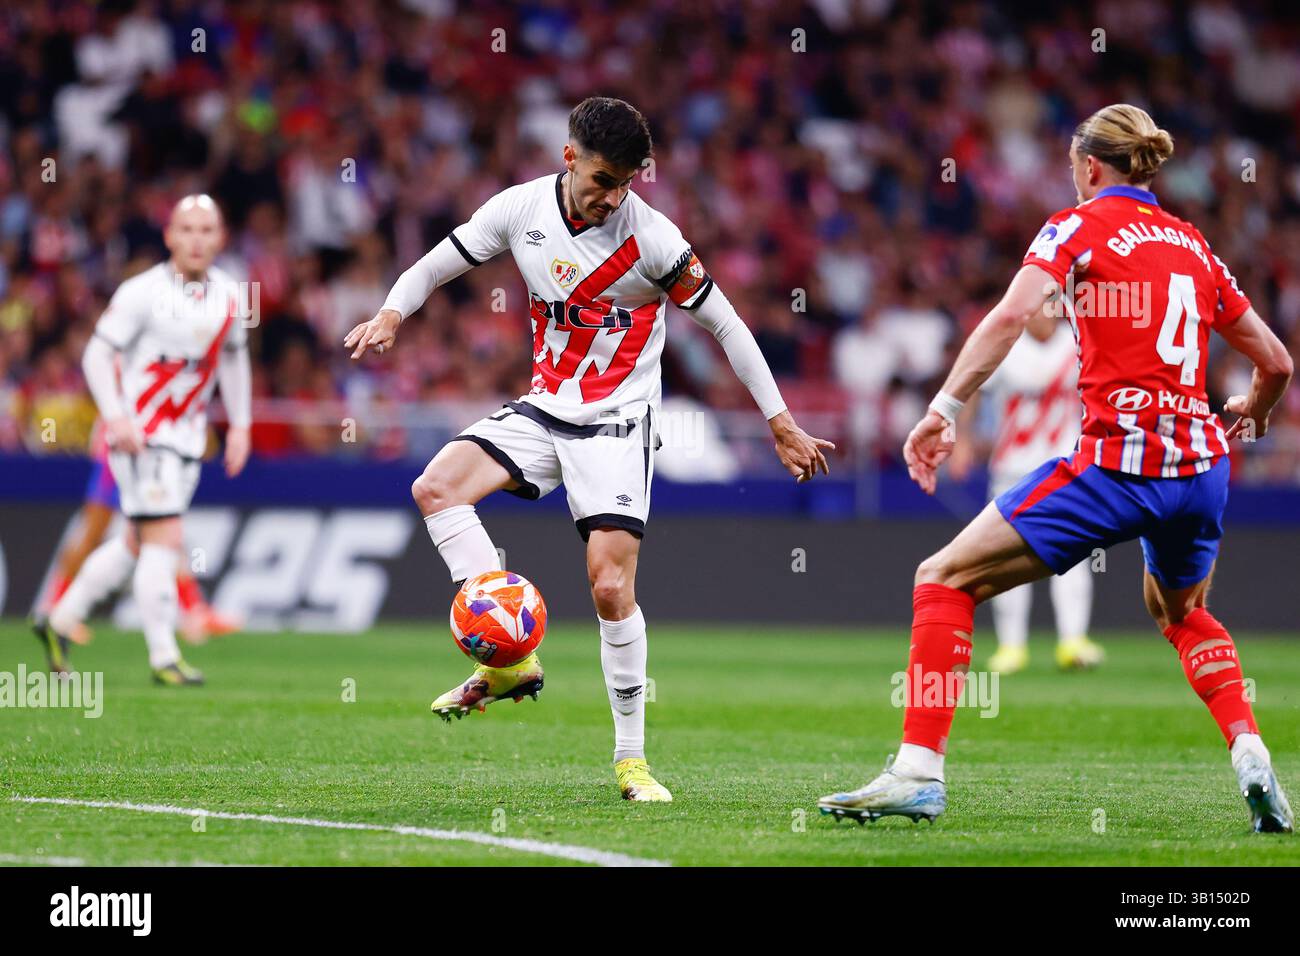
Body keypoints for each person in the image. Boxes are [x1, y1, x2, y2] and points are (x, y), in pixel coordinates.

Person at [819, 105, 1294, 832]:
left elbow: (1012, 315)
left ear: (1088, 167)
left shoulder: (1076, 226)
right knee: (1183, 613)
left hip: (1119, 464)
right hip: (1201, 468)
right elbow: (1277, 362)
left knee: (942, 579)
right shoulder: (1196, 246)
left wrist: (944, 407)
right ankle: (1250, 748)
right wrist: (1255, 414)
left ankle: (917, 771)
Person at [345, 97, 833, 802]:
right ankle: (512, 660)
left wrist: (779, 419)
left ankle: (631, 762)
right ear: (569, 159)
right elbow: (436, 263)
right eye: (604, 179)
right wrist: (393, 311)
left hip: (616, 424)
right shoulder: (520, 210)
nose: (613, 197)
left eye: (628, 182)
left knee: (608, 588)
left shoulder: (656, 241)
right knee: (435, 487)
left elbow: (728, 327)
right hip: (546, 409)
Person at [35, 194, 252, 686]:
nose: (196, 240)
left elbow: (235, 359)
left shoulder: (229, 295)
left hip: (186, 439)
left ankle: (60, 618)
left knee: (136, 540)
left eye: (206, 230)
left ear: (219, 238)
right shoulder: (141, 292)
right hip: (141, 438)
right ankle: (163, 656)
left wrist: (240, 424)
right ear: (170, 236)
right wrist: (116, 418)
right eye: (187, 229)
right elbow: (95, 354)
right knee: (165, 539)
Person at [947, 311, 1102, 674]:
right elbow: (974, 388)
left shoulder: (1078, 341)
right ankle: (1011, 646)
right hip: (1012, 468)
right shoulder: (1008, 342)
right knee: (1003, 556)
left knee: (1075, 555)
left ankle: (1072, 641)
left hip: (1067, 467)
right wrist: (964, 441)